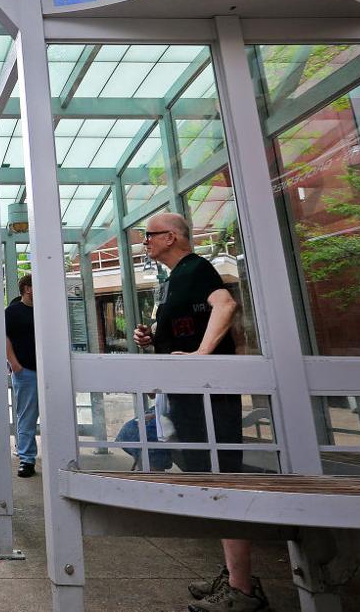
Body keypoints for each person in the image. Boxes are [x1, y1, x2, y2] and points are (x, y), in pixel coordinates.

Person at [133, 212, 266, 612]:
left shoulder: (196, 268)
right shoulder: (177, 278)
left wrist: (201, 356)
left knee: (221, 479)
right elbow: (193, 324)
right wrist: (153, 338)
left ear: (171, 237)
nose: (145, 243)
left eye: (149, 236)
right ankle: (234, 576)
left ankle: (243, 591)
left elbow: (225, 305)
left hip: (208, 395)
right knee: (210, 478)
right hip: (192, 395)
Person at [5, 273, 38, 478]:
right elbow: (4, 337)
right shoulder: (13, 311)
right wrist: (15, 365)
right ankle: (27, 459)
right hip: (26, 371)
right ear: (27, 288)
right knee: (26, 417)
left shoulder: (46, 309)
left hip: (50, 371)